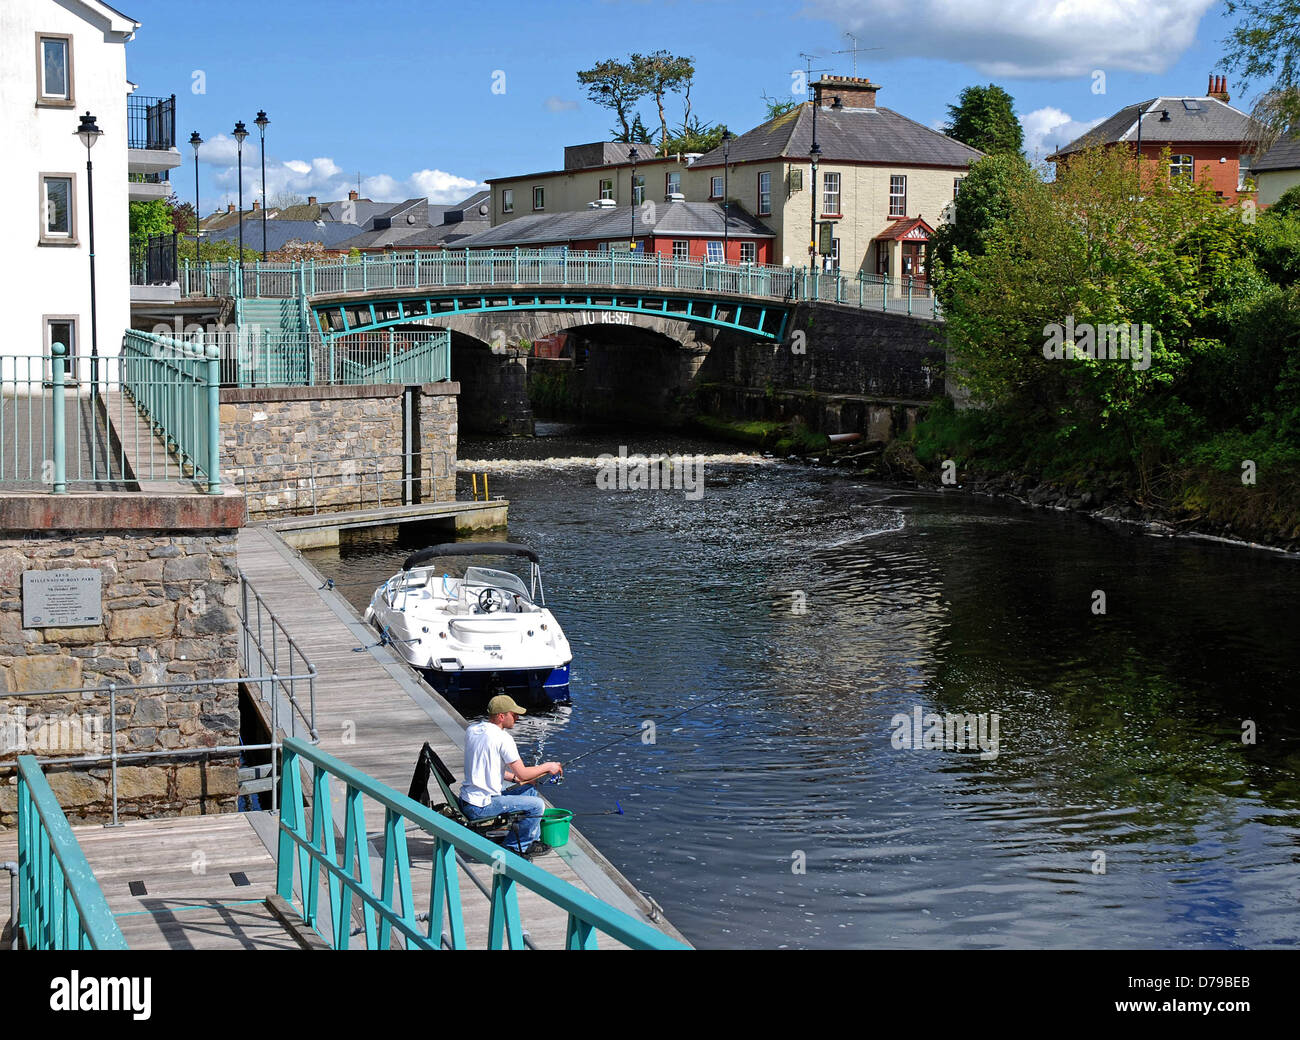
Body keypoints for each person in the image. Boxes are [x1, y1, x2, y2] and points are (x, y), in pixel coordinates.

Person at [458, 694, 563, 857]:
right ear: (501, 716)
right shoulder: (503, 738)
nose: (517, 718)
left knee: (529, 789)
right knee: (537, 805)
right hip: (482, 806)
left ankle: (530, 840)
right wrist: (548, 766)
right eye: (514, 715)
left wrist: (515, 779)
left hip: (467, 800)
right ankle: (515, 847)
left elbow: (489, 769)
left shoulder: (473, 730)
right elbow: (522, 773)